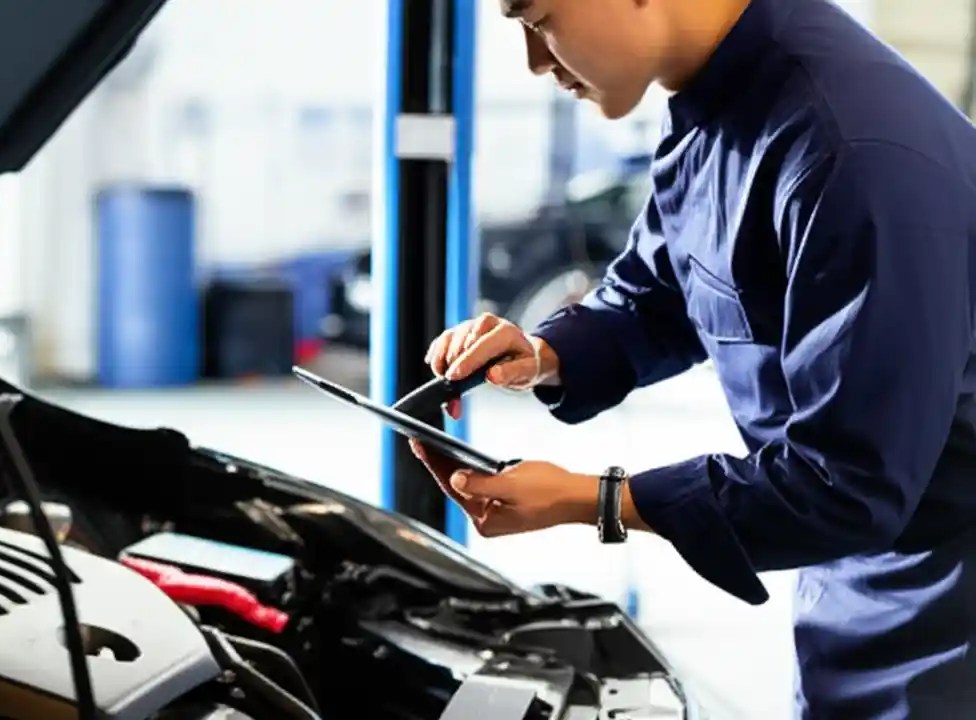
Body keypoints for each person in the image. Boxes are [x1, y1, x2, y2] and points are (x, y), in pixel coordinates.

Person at [410, 0, 976, 717]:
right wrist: (543, 353)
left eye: (540, 19)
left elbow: (848, 486)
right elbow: (668, 287)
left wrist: (593, 499)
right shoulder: (721, 97)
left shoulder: (854, 154)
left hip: (950, 608)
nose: (536, 61)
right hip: (857, 586)